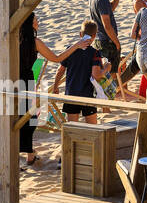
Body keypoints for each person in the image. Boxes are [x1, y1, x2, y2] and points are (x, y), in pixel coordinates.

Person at [15, 15, 91, 168]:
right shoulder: (35, 42)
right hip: (26, 82)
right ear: (30, 24)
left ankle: (27, 155)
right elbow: (57, 58)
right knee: (29, 118)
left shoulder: (13, 40)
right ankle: (28, 154)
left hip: (11, 81)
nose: (38, 22)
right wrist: (76, 45)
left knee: (17, 118)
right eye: (36, 19)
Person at [50, 20, 106, 123]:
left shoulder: (70, 50)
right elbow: (96, 75)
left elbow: (60, 71)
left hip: (71, 93)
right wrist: (107, 68)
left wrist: (55, 87)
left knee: (72, 128)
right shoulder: (95, 53)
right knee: (92, 128)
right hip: (87, 94)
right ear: (94, 36)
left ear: (80, 34)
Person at [89, 0, 124, 91]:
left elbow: (110, 8)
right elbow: (107, 26)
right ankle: (107, 104)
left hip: (98, 40)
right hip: (107, 42)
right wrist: (116, 42)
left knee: (101, 75)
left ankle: (104, 102)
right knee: (109, 77)